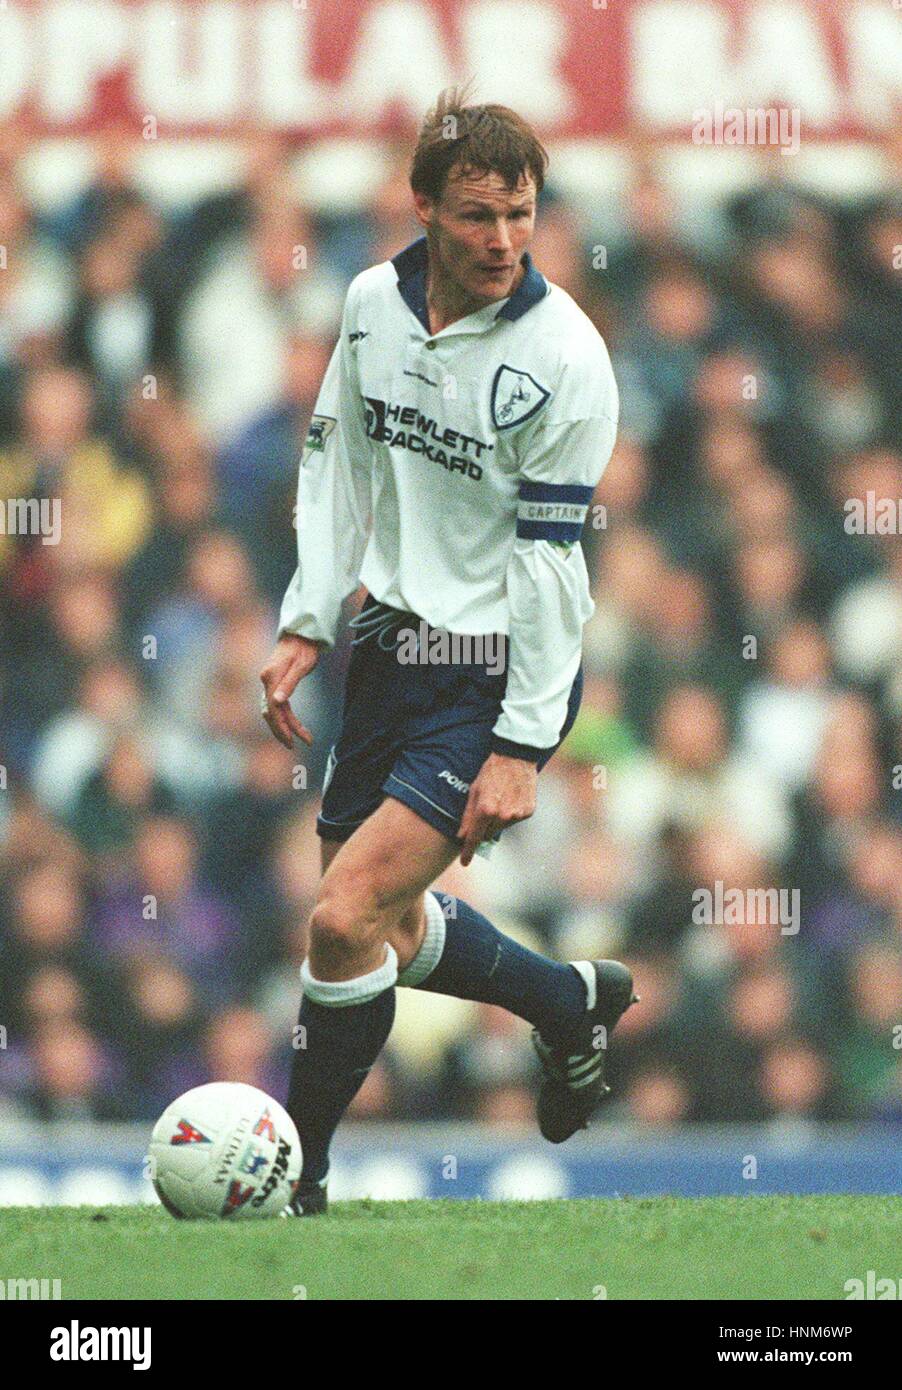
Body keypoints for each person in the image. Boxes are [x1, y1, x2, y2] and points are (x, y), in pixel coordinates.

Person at [260, 90, 636, 1215]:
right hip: (386, 647)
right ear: (420, 207)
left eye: (520, 214)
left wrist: (523, 739)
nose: (502, 240)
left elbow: (550, 564)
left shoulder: (564, 357)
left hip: (496, 664)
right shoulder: (372, 304)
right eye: (476, 215)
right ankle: (564, 1001)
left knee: (340, 916)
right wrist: (307, 614)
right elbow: (338, 464)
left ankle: (295, 1173)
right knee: (381, 919)